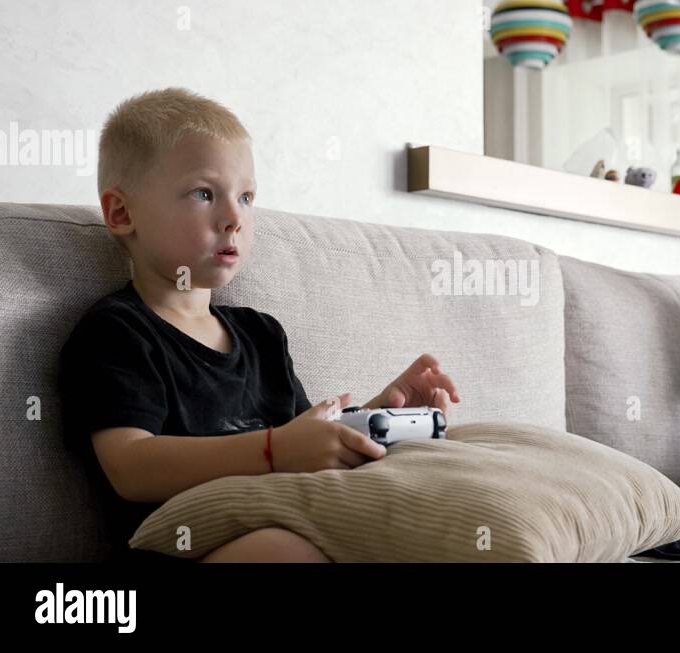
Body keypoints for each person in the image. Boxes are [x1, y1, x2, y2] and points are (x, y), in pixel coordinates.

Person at [58, 88, 461, 563]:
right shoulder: (118, 332)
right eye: (204, 193)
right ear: (122, 213)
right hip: (188, 550)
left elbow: (307, 442)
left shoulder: (262, 335)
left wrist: (381, 411)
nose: (234, 218)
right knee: (287, 550)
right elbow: (131, 466)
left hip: (286, 517)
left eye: (246, 197)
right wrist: (274, 451)